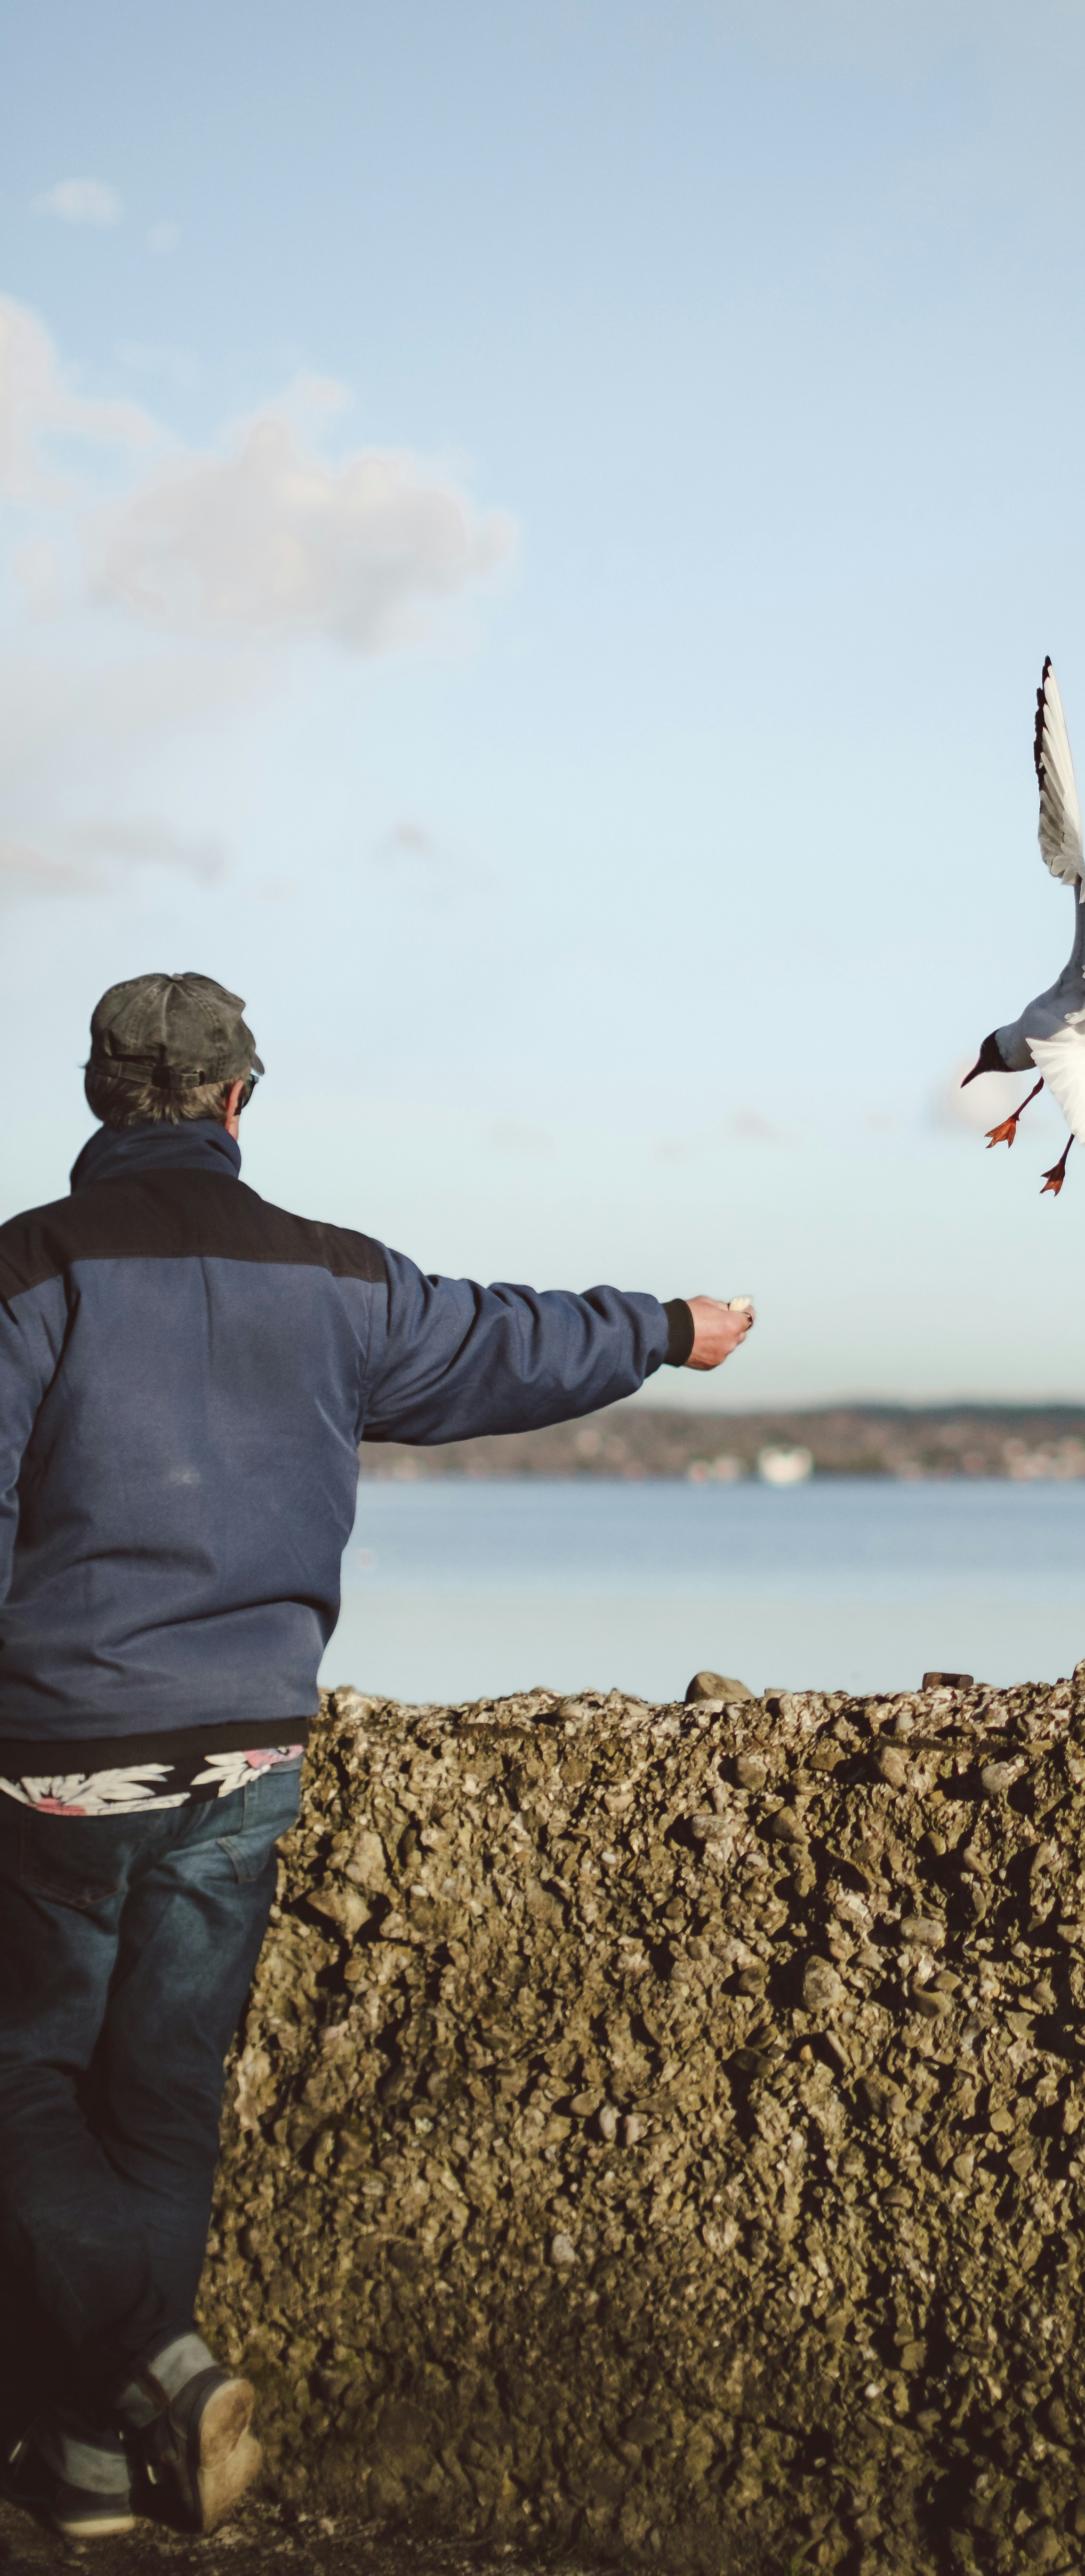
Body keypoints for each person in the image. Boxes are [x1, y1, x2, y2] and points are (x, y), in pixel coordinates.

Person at [0, 973, 752, 2541]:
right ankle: (88, 2463)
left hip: (66, 1759)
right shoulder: (334, 1278)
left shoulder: (28, 1271)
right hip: (253, 1747)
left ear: (95, 1102)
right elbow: (506, 1345)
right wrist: (668, 1332)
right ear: (236, 1102)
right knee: (161, 2102)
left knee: (24, 2083)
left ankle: (148, 2360)